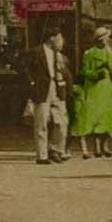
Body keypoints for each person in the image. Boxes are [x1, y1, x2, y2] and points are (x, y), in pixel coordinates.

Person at [71, 26, 112, 160]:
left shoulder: (109, 52)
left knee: (107, 116)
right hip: (94, 88)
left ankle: (104, 145)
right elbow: (84, 71)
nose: (106, 41)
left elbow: (111, 70)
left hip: (107, 88)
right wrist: (94, 75)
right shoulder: (89, 53)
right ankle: (97, 146)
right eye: (104, 38)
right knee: (93, 116)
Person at [25, 26, 71, 164]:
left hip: (57, 88)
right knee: (42, 122)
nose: (61, 41)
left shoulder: (59, 55)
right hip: (42, 88)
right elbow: (23, 67)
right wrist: (32, 83)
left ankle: (56, 149)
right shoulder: (36, 52)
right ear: (52, 38)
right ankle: (42, 155)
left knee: (62, 121)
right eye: (59, 38)